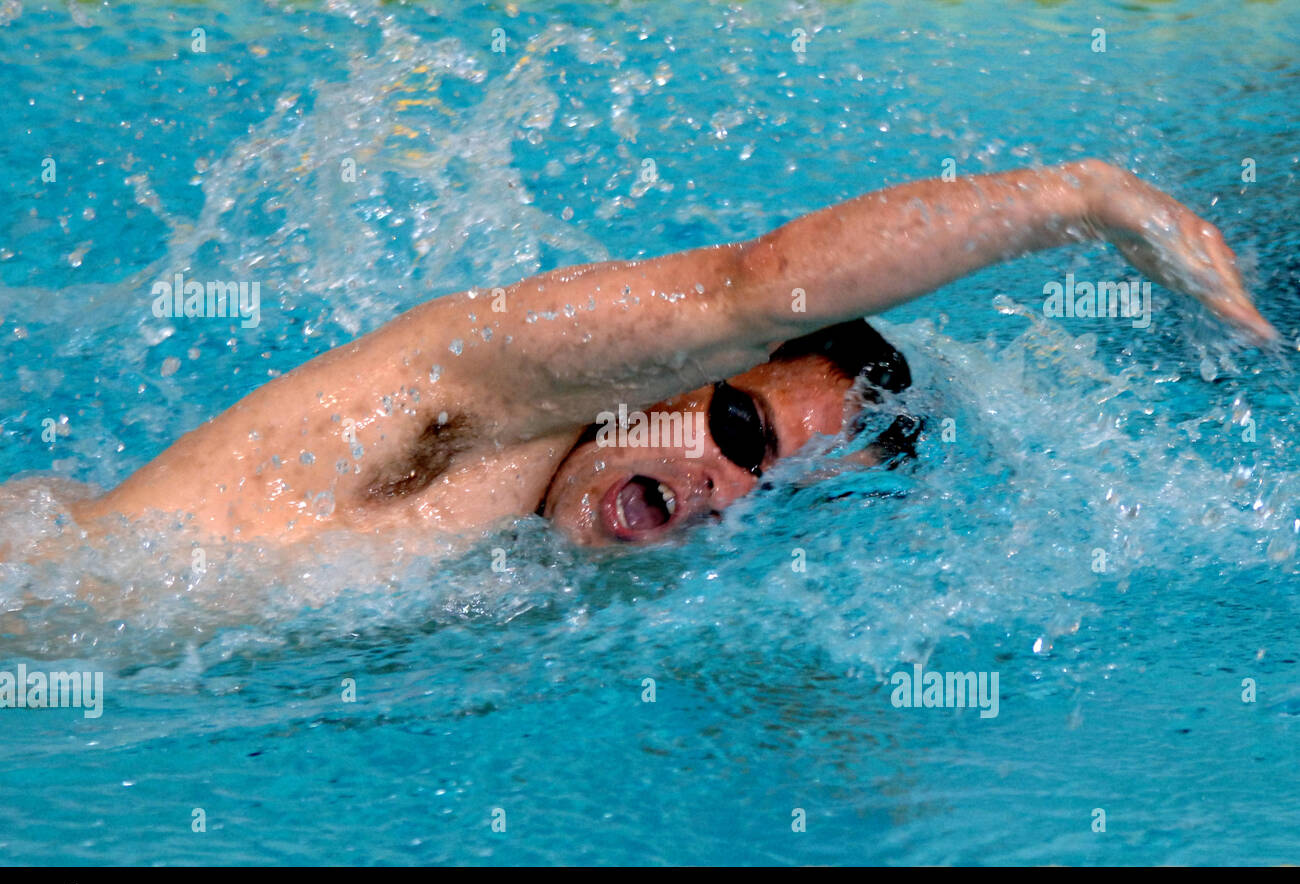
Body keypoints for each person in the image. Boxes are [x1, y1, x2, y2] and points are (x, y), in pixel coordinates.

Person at [69, 160, 1275, 547]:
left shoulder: (568, 549)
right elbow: (746, 284)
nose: (729, 492)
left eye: (770, 488)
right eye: (742, 432)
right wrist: (1082, 200)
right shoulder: (467, 390)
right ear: (656, 386)